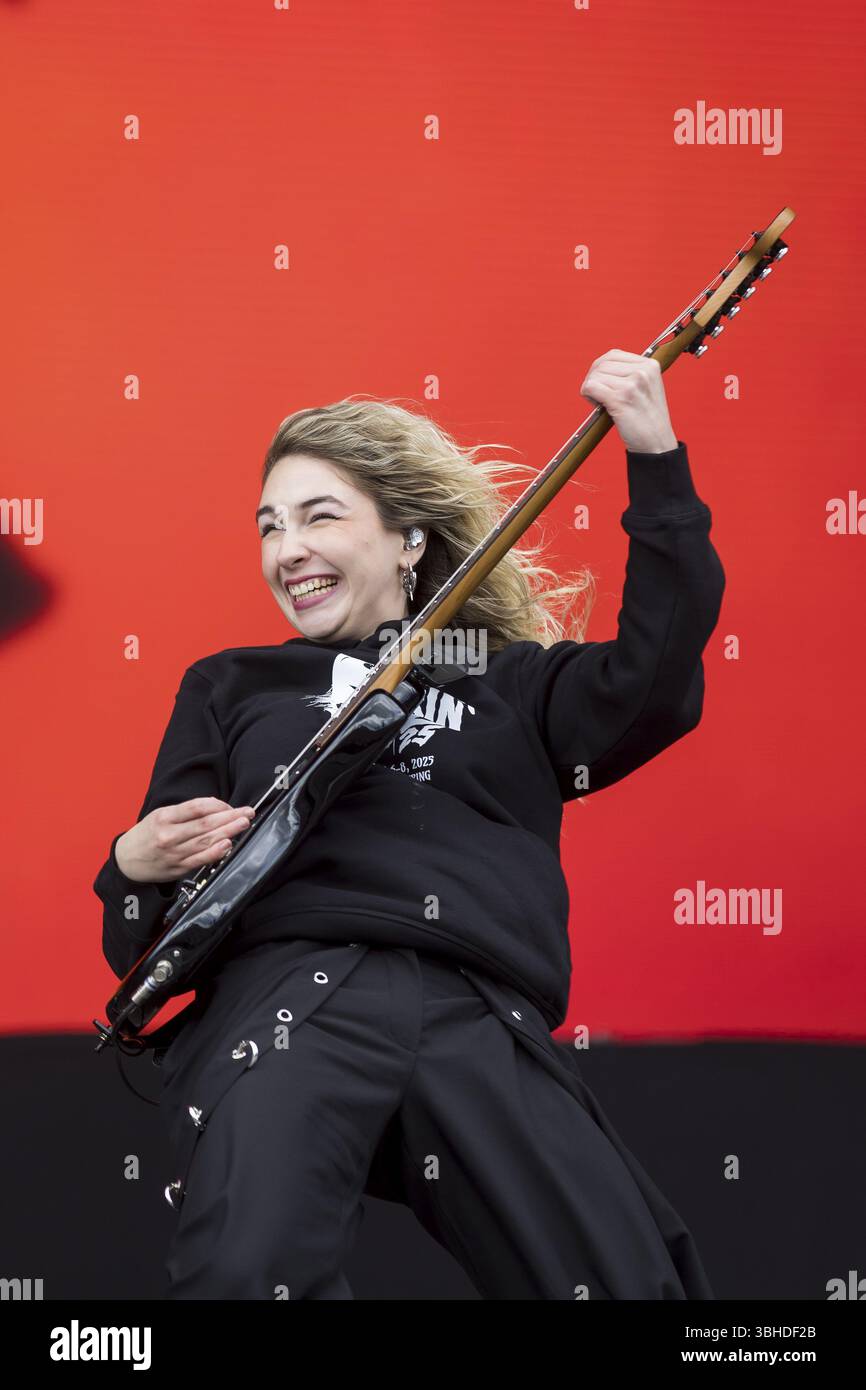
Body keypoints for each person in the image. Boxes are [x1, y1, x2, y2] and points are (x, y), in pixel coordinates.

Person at [93, 349, 725, 1300]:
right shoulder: (230, 686)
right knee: (244, 1275)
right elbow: (147, 939)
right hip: (288, 1002)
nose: (285, 549)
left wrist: (655, 457)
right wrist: (131, 863)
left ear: (408, 541)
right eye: (268, 527)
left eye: (319, 517)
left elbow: (659, 676)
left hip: (481, 1014)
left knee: (626, 1282)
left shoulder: (509, 680)